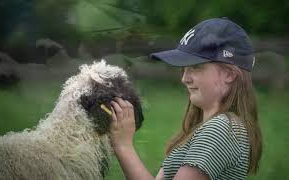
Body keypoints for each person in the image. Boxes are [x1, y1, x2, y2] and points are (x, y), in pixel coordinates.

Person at [109, 17, 262, 180]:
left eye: (196, 67)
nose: (185, 78)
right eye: (184, 68)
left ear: (229, 74)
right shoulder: (212, 127)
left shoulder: (221, 129)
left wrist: (124, 145)